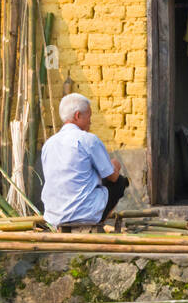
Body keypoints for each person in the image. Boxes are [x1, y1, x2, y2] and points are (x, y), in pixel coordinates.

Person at [40, 93, 128, 229]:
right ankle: (95, 224)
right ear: (77, 116)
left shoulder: (48, 144)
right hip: (84, 214)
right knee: (120, 182)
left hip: (53, 215)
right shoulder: (88, 140)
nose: (90, 121)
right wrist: (115, 164)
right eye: (89, 116)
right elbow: (112, 176)